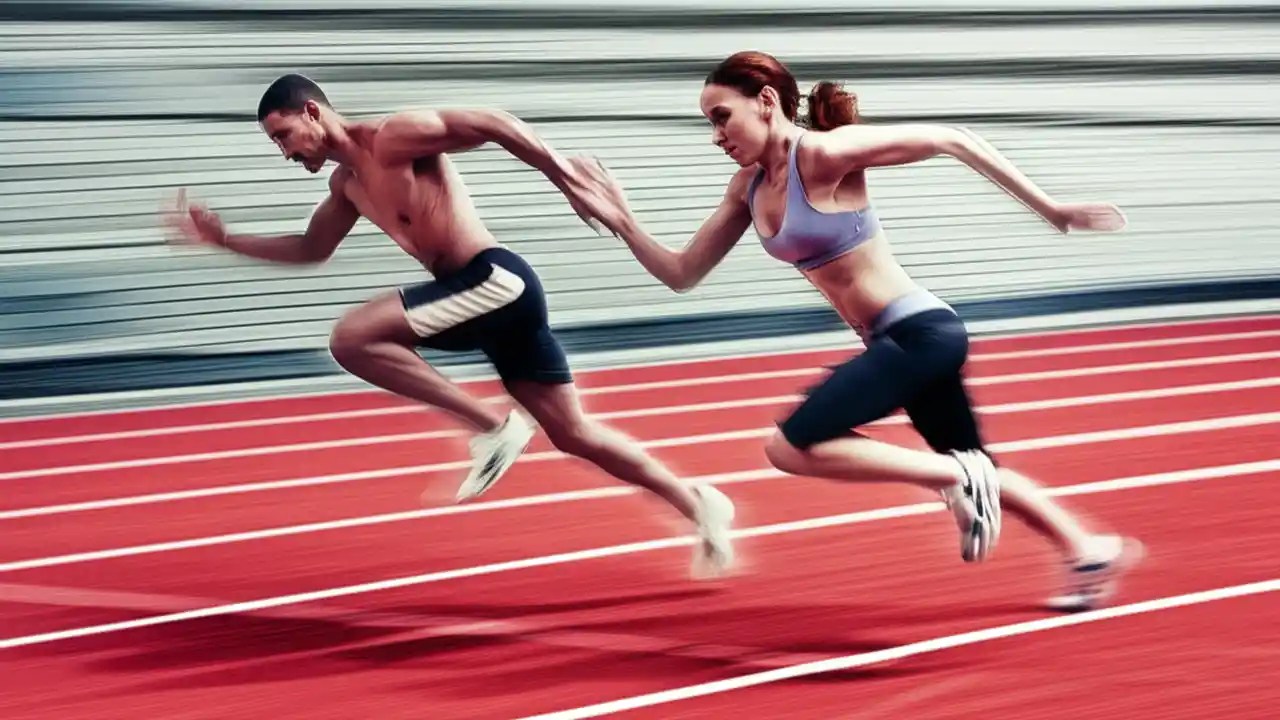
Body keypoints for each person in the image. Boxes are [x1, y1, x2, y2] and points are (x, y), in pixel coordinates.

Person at [573, 50, 1142, 611]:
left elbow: (953, 139)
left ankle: (956, 477)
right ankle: (1088, 549)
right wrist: (624, 221)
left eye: (721, 117)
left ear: (766, 101)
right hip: (900, 343)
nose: (715, 135)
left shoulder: (821, 154)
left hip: (921, 333)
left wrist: (1052, 210)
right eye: (709, 124)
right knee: (980, 470)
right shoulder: (747, 189)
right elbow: (681, 273)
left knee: (790, 446)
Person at [160, 73, 735, 578]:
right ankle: (698, 504)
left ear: (313, 112)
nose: (284, 152)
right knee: (574, 434)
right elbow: (312, 248)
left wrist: (566, 178)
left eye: (283, 135)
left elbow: (495, 122)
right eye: (275, 144)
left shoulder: (393, 138)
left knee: (352, 337)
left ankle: (493, 424)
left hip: (496, 281)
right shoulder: (347, 186)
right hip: (479, 305)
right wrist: (226, 240)